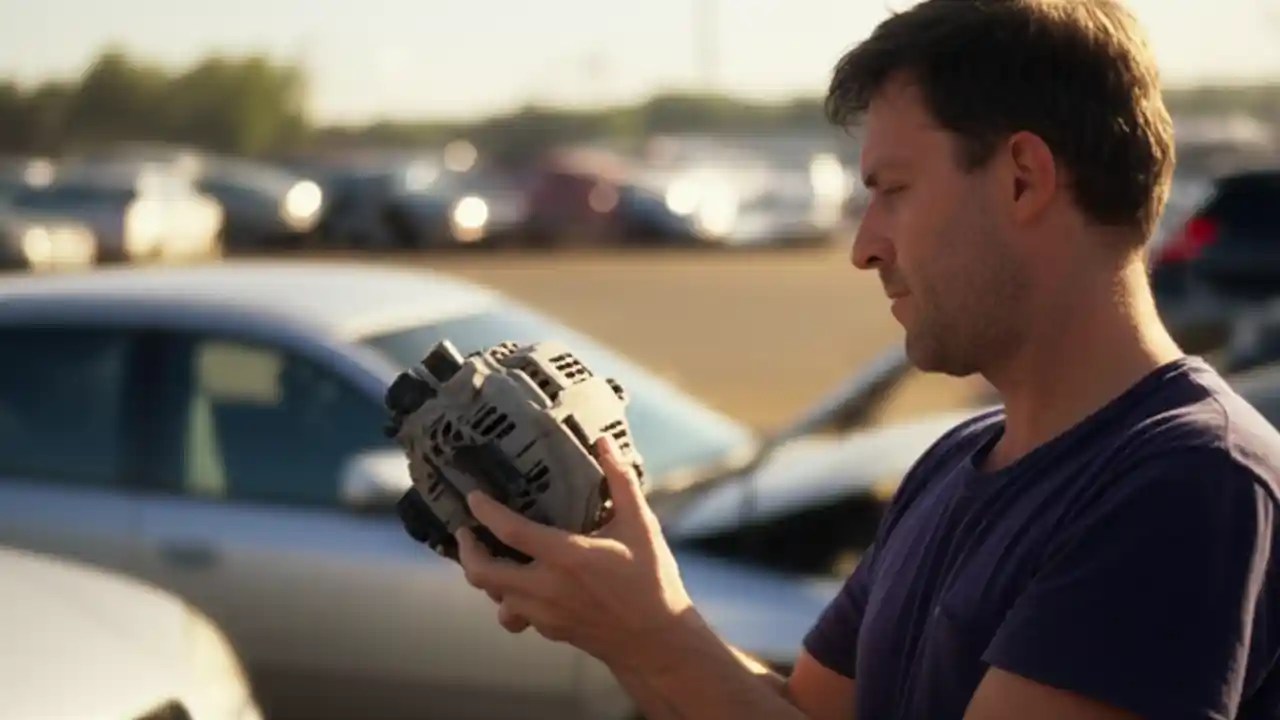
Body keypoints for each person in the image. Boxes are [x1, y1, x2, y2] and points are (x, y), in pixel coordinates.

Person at [454, 1, 1280, 717]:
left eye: (893, 190)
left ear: (1023, 179)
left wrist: (657, 637)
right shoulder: (958, 459)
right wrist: (632, 611)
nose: (863, 246)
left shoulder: (1187, 483)